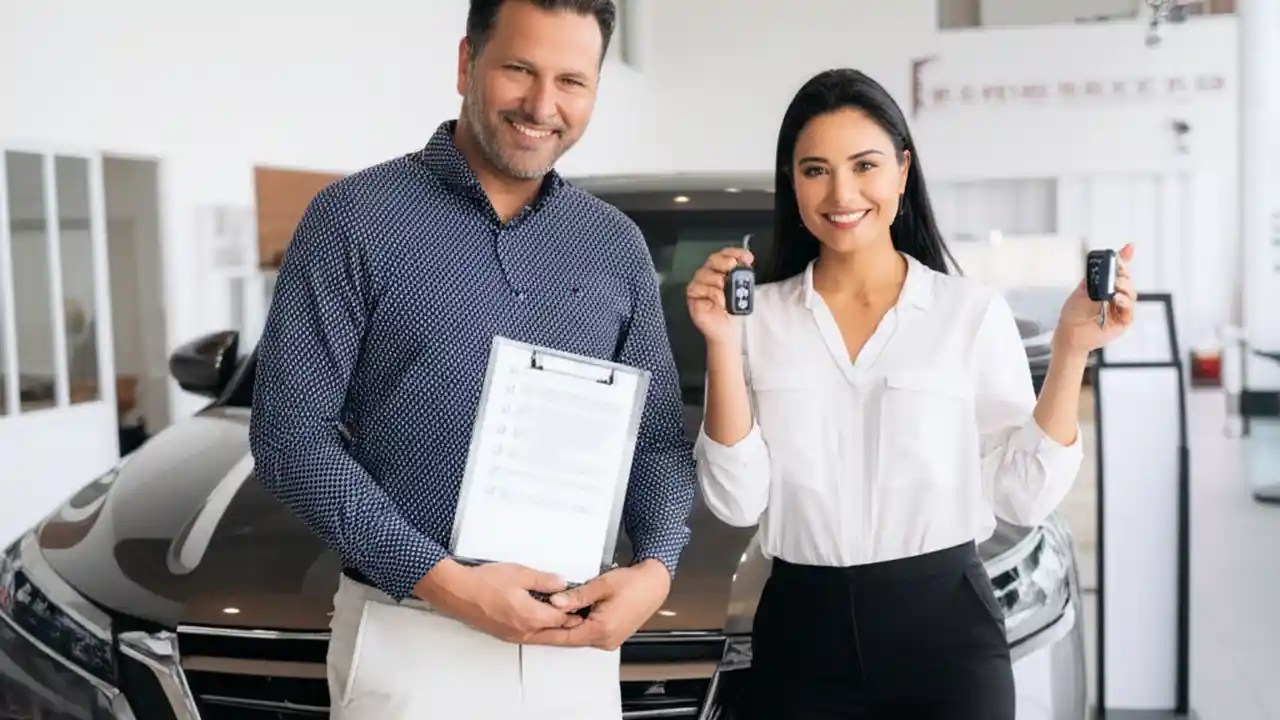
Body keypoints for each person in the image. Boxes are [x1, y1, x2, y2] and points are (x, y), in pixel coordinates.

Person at [248, 1, 696, 717]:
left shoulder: (616, 247)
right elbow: (289, 437)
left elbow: (658, 442)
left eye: (571, 81)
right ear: (467, 63)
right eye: (519, 69)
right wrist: (444, 581)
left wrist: (657, 569)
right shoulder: (353, 219)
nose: (542, 106)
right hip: (411, 638)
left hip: (572, 652)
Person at [685, 68, 1135, 719]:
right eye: (815, 170)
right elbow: (736, 500)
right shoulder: (757, 321)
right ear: (792, 181)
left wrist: (1071, 349)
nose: (841, 193)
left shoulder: (969, 312)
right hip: (801, 634)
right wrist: (722, 344)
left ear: (902, 170)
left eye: (864, 165)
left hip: (946, 634)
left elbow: (1021, 495)